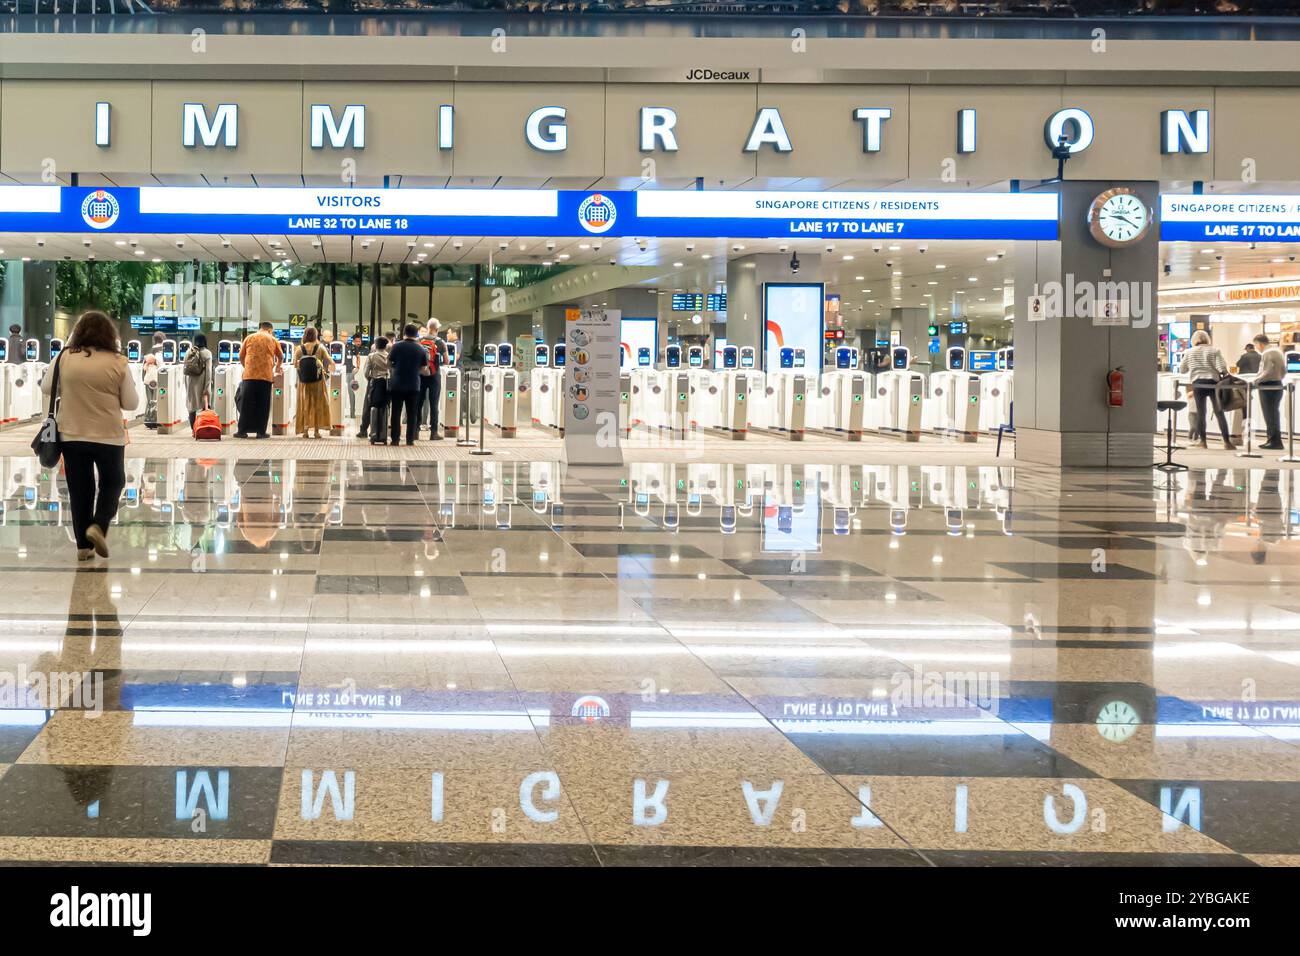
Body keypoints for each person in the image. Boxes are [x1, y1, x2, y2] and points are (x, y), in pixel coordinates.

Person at [40, 310, 138, 562]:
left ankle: (83, 547)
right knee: (113, 482)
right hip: (109, 436)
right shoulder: (118, 362)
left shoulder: (64, 358)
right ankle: (99, 524)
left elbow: (47, 387)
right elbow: (130, 402)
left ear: (78, 332)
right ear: (109, 334)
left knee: (80, 490)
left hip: (72, 434)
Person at [1181, 329, 1235, 450]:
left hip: (1198, 383)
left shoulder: (1189, 352)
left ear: (1194, 340)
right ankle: (1227, 442)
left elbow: (1182, 370)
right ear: (1207, 339)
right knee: (1219, 412)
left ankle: (1203, 442)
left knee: (1201, 413)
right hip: (1213, 383)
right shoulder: (1214, 350)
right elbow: (1222, 368)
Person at [236, 321, 282, 439]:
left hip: (249, 376)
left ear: (260, 328)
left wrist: (247, 367)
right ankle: (261, 432)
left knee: (246, 404)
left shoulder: (249, 337)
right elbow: (280, 356)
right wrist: (277, 367)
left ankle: (241, 431)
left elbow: (241, 356)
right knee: (263, 405)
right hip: (265, 376)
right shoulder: (272, 339)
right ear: (270, 330)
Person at [386, 323, 427, 446]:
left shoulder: (396, 346)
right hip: (413, 384)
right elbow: (424, 368)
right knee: (412, 413)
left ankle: (395, 439)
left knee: (396, 412)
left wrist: (395, 368)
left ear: (404, 333)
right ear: (416, 334)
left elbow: (388, 362)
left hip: (397, 383)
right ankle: (410, 439)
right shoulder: (420, 349)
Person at [292, 326, 333, 439]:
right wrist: (323, 367)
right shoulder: (320, 348)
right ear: (316, 335)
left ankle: (305, 431)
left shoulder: (299, 349)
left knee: (305, 405)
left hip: (304, 381)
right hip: (318, 381)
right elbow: (331, 361)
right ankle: (316, 431)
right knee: (317, 404)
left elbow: (295, 364)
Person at [1253, 333, 1287, 450]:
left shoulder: (1267, 353)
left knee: (1269, 414)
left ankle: (1274, 441)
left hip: (1267, 386)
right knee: (1274, 413)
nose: (1256, 347)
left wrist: (1255, 381)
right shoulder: (1278, 351)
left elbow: (1265, 371)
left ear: (1260, 343)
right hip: (1278, 384)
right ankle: (1273, 439)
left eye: (1256, 345)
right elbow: (1283, 371)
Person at [418, 319, 448, 440]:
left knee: (418, 403)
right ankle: (433, 433)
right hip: (434, 375)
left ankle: (415, 431)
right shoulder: (440, 342)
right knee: (434, 404)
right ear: (437, 329)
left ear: (427, 327)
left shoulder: (419, 340)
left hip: (420, 375)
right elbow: (447, 361)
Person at [358, 336, 390, 443]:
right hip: (386, 384)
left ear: (375, 345)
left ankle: (363, 430)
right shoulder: (389, 356)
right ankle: (383, 431)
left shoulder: (371, 356)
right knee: (385, 406)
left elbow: (366, 372)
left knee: (368, 405)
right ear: (386, 346)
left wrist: (370, 379)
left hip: (374, 383)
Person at [1230, 342, 1262, 440]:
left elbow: (1237, 365)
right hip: (1255, 381)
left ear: (1248, 348)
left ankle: (1244, 425)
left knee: (1243, 405)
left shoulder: (1245, 356)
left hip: (1244, 382)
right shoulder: (1260, 356)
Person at [183, 332, 213, 430]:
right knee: (205, 405)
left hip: (190, 381)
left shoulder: (188, 352)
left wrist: (186, 386)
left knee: (191, 407)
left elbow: (185, 369)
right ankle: (204, 428)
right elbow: (208, 371)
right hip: (202, 382)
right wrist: (207, 387)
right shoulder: (207, 353)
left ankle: (193, 430)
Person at [141, 331, 166, 428]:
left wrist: (144, 380)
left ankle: (148, 419)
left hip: (148, 380)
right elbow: (163, 367)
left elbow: (143, 368)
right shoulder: (163, 351)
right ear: (163, 339)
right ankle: (155, 419)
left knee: (149, 400)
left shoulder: (149, 351)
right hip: (157, 379)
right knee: (157, 399)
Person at [345, 332, 364, 420]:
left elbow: (358, 356)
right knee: (339, 393)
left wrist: (358, 367)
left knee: (351, 392)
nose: (344, 338)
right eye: (342, 336)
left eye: (345, 336)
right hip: (339, 372)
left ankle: (352, 412)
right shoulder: (338, 346)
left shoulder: (352, 347)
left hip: (350, 372)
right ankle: (342, 412)